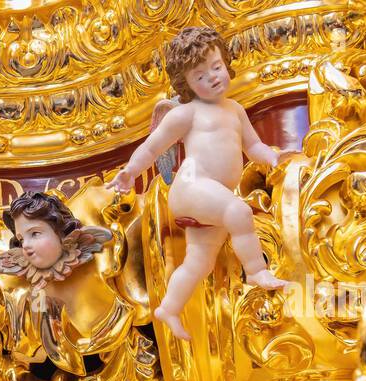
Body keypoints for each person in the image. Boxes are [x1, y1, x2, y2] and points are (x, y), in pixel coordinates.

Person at [109, 26, 289, 341]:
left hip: (212, 197)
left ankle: (169, 308)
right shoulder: (186, 114)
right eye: (200, 76)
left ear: (226, 62)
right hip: (192, 187)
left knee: (200, 262)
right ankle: (257, 271)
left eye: (217, 67)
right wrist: (130, 172)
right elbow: (153, 147)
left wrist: (274, 158)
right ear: (187, 85)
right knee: (238, 212)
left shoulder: (236, 110)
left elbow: (254, 147)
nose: (213, 77)